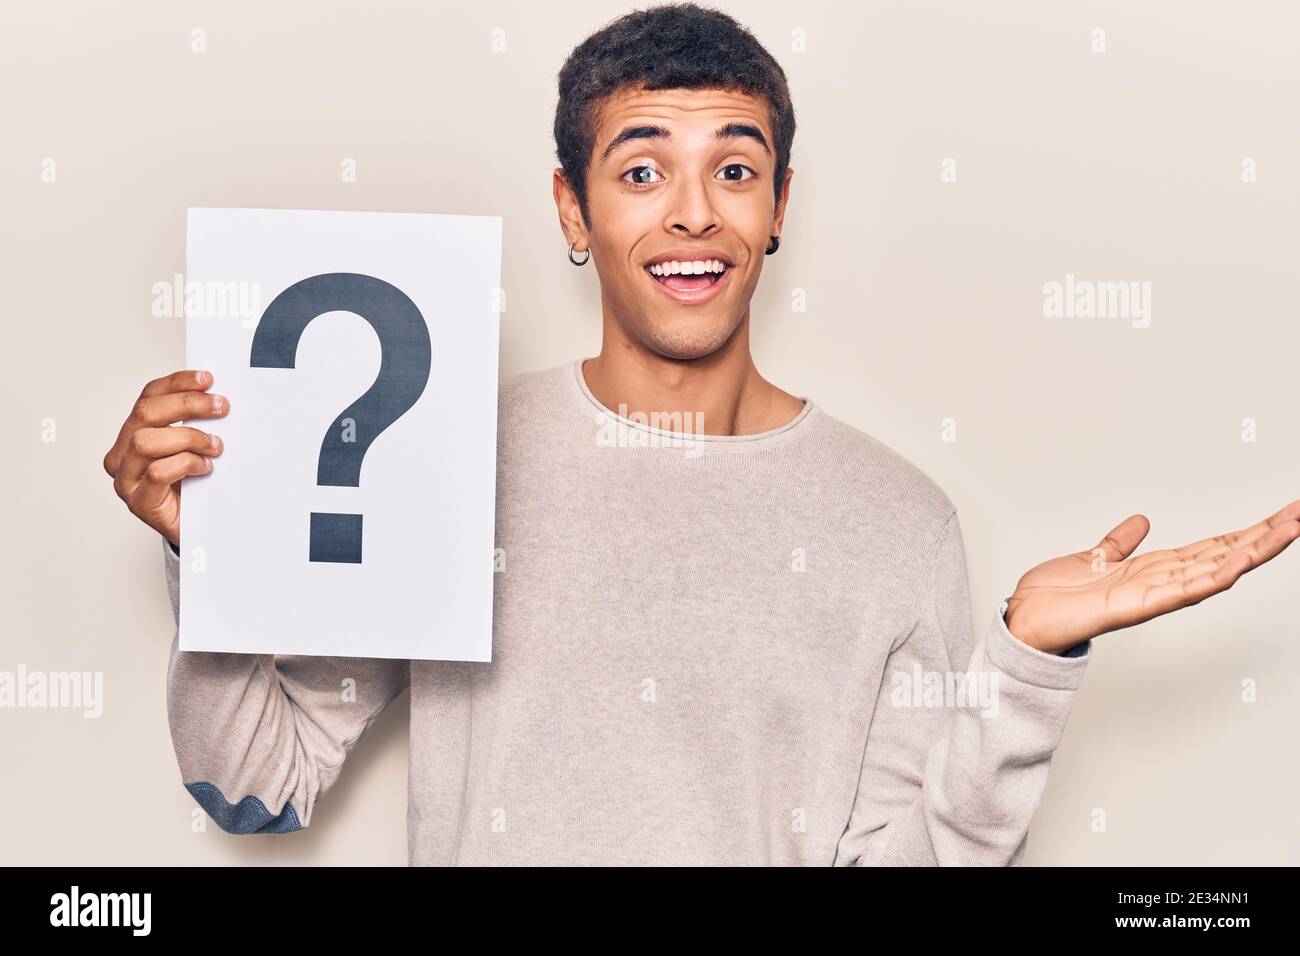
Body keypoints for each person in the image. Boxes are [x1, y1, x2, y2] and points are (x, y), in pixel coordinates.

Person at [102, 3, 1298, 865]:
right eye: (640, 170)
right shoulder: (446, 454)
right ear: (571, 206)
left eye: (734, 167)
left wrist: (1028, 664)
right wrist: (214, 551)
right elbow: (250, 792)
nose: (692, 212)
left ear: (779, 205)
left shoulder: (899, 520)